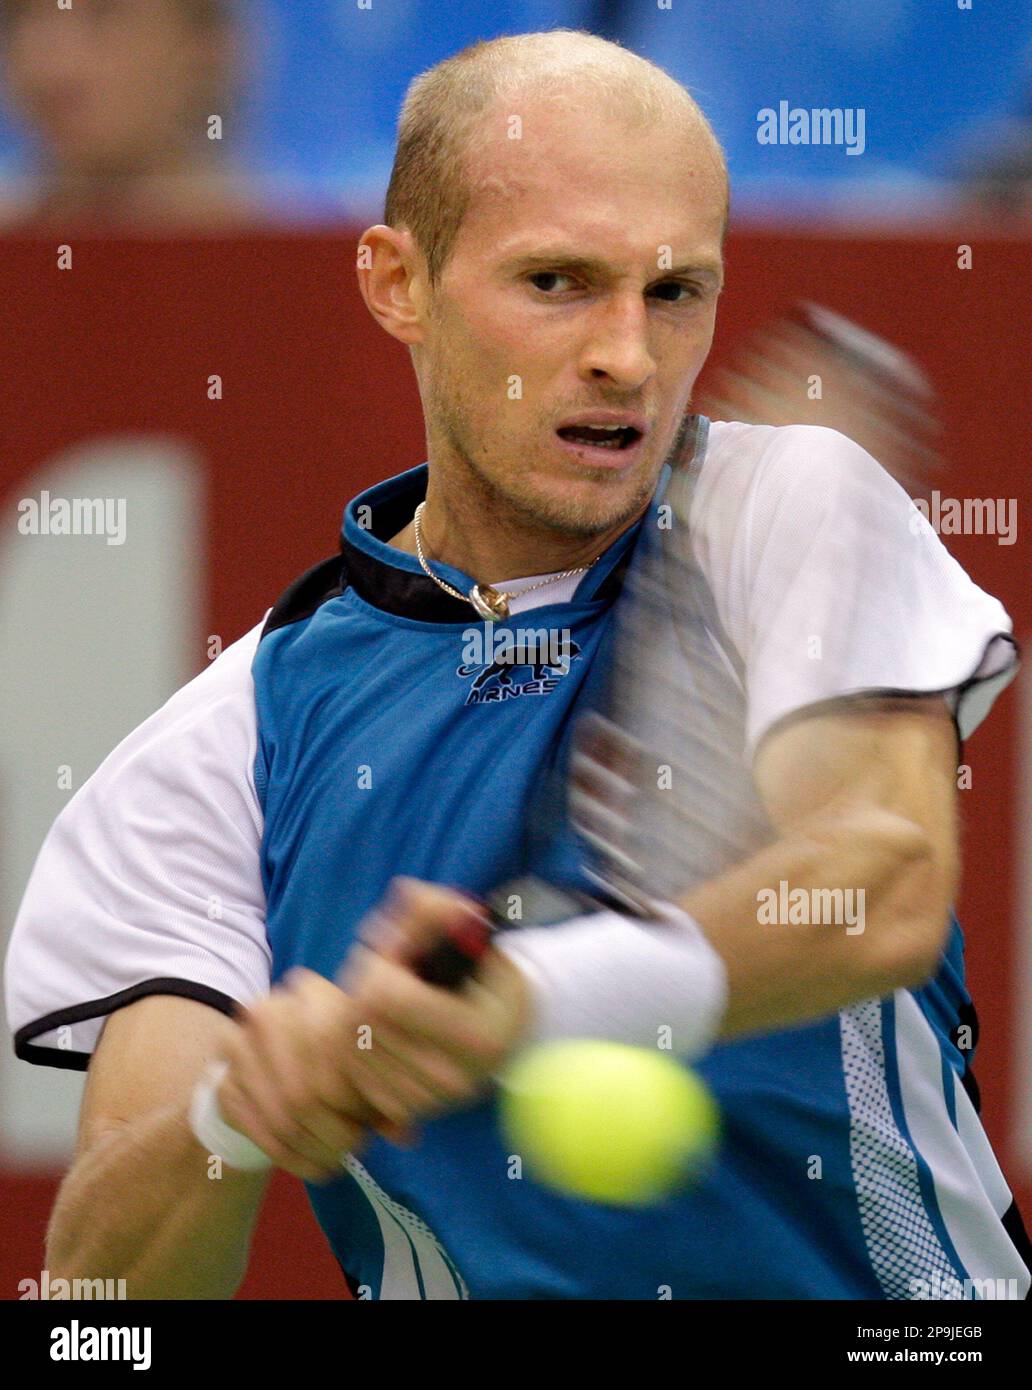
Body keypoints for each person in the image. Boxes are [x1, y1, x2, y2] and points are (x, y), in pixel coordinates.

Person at [6, 29, 1030, 1300]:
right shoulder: (218, 753)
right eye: (557, 282)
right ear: (398, 283)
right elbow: (100, 1321)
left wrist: (520, 999)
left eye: (675, 291)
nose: (629, 356)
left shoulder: (782, 506)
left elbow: (882, 882)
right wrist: (243, 1110)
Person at [0, 0, 261, 231]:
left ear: (205, 45)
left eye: (104, 14)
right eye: (20, 18)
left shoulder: (272, 268)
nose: (51, 68)